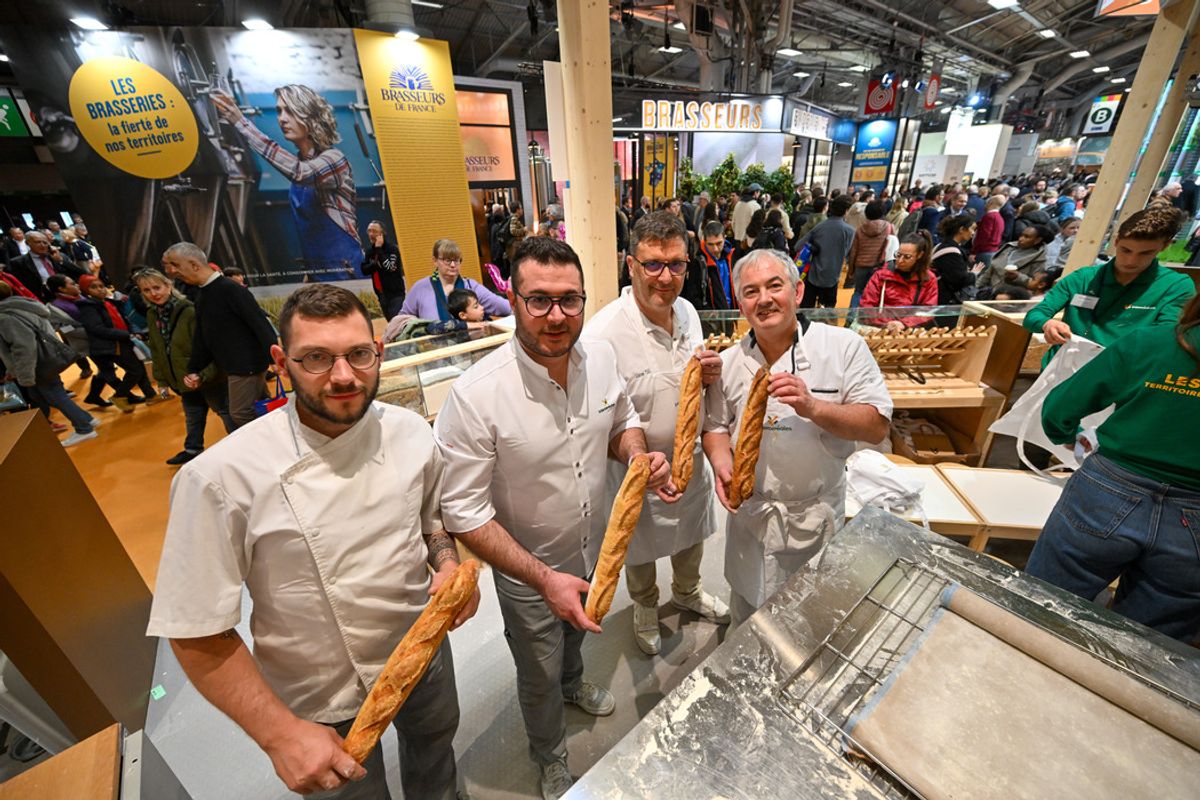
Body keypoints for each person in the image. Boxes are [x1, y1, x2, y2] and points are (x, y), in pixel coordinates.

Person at [147, 284, 476, 799]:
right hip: (322, 689)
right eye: (317, 359)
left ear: (379, 352)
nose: (343, 376)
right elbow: (196, 631)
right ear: (280, 362)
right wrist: (279, 735)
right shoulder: (219, 477)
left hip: (422, 652)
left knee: (436, 758)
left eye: (358, 355)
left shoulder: (412, 432)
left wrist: (449, 564)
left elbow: (431, 519)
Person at [434, 236, 671, 799]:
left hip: (593, 548)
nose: (556, 316)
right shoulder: (475, 397)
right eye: (538, 300)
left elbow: (623, 418)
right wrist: (543, 579)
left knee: (575, 638)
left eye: (570, 300)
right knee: (536, 669)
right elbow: (462, 512)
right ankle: (550, 753)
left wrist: (637, 455)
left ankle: (574, 682)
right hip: (528, 571)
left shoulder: (603, 358)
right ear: (511, 299)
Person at [702, 249, 892, 625]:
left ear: (798, 291)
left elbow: (876, 425)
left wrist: (814, 407)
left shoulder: (841, 347)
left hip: (814, 517)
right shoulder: (728, 362)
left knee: (806, 617)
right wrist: (723, 465)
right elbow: (716, 427)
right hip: (752, 515)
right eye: (751, 291)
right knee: (746, 614)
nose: (765, 299)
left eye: (775, 286)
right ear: (741, 305)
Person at [583, 212, 729, 657]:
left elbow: (687, 386)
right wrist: (640, 463)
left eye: (676, 264)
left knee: (691, 537)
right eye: (653, 264)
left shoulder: (687, 313)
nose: (665, 277)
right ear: (631, 265)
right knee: (640, 548)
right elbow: (597, 421)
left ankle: (687, 591)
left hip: (690, 464)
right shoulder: (603, 334)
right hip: (637, 471)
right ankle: (645, 606)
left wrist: (709, 376)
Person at [1024, 293, 1200, 643]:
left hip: (1109, 491)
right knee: (1148, 650)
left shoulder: (1151, 342)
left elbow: (1059, 409)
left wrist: (1068, 437)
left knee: (1039, 610)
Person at [212, 85, 363, 282]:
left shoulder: (334, 160)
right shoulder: (299, 161)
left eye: (290, 111)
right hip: (319, 274)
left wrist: (241, 123)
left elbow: (300, 173)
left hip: (347, 274)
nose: (282, 118)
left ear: (310, 116)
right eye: (279, 111)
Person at [1024, 206, 1195, 365]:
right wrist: (1047, 324)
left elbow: (1165, 337)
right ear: (1116, 241)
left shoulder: (1176, 286)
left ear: (1164, 246)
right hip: (1063, 368)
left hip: (1122, 375)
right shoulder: (1083, 278)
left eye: (1145, 253)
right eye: (1125, 250)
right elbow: (1034, 316)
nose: (1131, 261)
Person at [164, 242, 278, 428]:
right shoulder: (203, 294)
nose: (172, 271)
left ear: (194, 264)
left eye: (175, 265)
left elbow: (259, 324)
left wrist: (275, 358)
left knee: (241, 414)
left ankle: (267, 449)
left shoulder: (230, 289)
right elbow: (203, 336)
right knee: (261, 406)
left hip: (247, 365)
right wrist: (194, 368)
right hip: (234, 366)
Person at [134, 268, 235, 465]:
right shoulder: (152, 315)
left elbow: (212, 347)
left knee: (225, 411)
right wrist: (162, 381)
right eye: (147, 290)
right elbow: (157, 349)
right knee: (193, 414)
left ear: (168, 285)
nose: (154, 293)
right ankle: (192, 449)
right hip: (182, 379)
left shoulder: (189, 311)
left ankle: (242, 447)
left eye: (157, 287)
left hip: (207, 377)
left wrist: (203, 375)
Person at [0, 282, 99, 446]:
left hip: (35, 364)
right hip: (46, 360)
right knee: (52, 395)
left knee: (54, 396)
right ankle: (86, 419)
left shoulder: (5, 317)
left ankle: (84, 428)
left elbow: (23, 347)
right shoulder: (23, 306)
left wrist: (24, 376)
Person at [77, 275, 155, 413]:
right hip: (112, 345)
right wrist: (126, 335)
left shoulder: (107, 302)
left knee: (139, 368)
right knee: (135, 370)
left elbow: (123, 320)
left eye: (101, 286)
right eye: (93, 287)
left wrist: (132, 332)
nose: (100, 290)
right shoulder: (88, 307)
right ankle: (119, 396)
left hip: (123, 340)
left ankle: (151, 395)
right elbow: (96, 329)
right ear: (86, 290)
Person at [399, 239, 511, 322]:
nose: (453, 265)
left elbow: (505, 307)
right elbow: (401, 321)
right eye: (447, 260)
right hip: (435, 350)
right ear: (435, 260)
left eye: (457, 260)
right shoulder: (420, 289)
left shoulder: (471, 286)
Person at [860, 230, 940, 330]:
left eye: (907, 257)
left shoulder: (928, 279)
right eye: (898, 254)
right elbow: (867, 305)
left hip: (909, 331)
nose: (900, 260)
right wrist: (886, 324)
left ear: (920, 255)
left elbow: (928, 309)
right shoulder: (881, 274)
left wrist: (903, 323)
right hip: (880, 329)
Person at [46, 275, 102, 401]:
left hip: (99, 336)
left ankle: (95, 396)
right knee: (107, 369)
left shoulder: (81, 296)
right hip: (86, 340)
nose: (76, 285)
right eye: (72, 283)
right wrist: (90, 331)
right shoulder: (55, 307)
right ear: (62, 289)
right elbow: (65, 329)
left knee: (106, 369)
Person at [799, 195, 855, 309]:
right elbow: (849, 253)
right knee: (828, 313)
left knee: (806, 310)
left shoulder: (820, 226)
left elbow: (798, 246)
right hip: (832, 276)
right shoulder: (850, 231)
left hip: (813, 275)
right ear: (846, 211)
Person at [5, 231, 85, 301]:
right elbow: (22, 286)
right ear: (27, 243)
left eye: (45, 242)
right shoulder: (18, 262)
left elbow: (81, 273)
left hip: (68, 294)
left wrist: (60, 260)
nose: (42, 245)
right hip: (43, 298)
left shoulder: (58, 256)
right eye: (38, 242)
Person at [976, 224, 1051, 295]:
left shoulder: (1040, 260)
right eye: (1021, 235)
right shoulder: (1009, 247)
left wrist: (1018, 276)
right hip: (988, 291)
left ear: (1037, 240)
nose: (1021, 239)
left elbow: (1035, 285)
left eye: (1026, 237)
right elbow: (990, 270)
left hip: (1009, 298)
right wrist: (976, 287)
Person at [846, 200, 894, 310]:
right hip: (879, 267)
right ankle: (867, 320)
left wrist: (851, 270)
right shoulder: (889, 228)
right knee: (875, 294)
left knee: (858, 292)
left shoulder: (860, 229)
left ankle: (850, 319)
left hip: (861, 265)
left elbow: (854, 251)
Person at [360, 220, 405, 319]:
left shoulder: (392, 249)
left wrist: (379, 250)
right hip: (381, 294)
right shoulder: (369, 251)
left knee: (396, 322)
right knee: (390, 321)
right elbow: (364, 270)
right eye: (369, 231)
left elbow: (389, 268)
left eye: (374, 231)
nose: (371, 234)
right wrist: (376, 264)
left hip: (396, 295)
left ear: (382, 233)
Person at [932, 215, 977, 306]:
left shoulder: (941, 246)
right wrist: (973, 274)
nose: (973, 233)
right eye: (972, 229)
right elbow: (958, 281)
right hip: (944, 301)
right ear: (961, 229)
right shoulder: (952, 252)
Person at [694, 220, 735, 309]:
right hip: (711, 318)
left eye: (719, 243)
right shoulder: (698, 263)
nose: (715, 249)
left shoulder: (733, 257)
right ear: (704, 241)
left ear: (725, 238)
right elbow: (694, 296)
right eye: (710, 244)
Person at [425, 288, 493, 335]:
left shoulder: (484, 319)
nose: (482, 307)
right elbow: (431, 328)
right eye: (476, 307)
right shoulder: (456, 327)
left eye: (479, 304)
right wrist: (468, 325)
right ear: (463, 315)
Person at [973, 195, 1007, 269]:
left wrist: (974, 252)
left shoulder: (989, 217)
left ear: (990, 203)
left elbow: (984, 236)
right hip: (993, 251)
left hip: (984, 252)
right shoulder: (1000, 218)